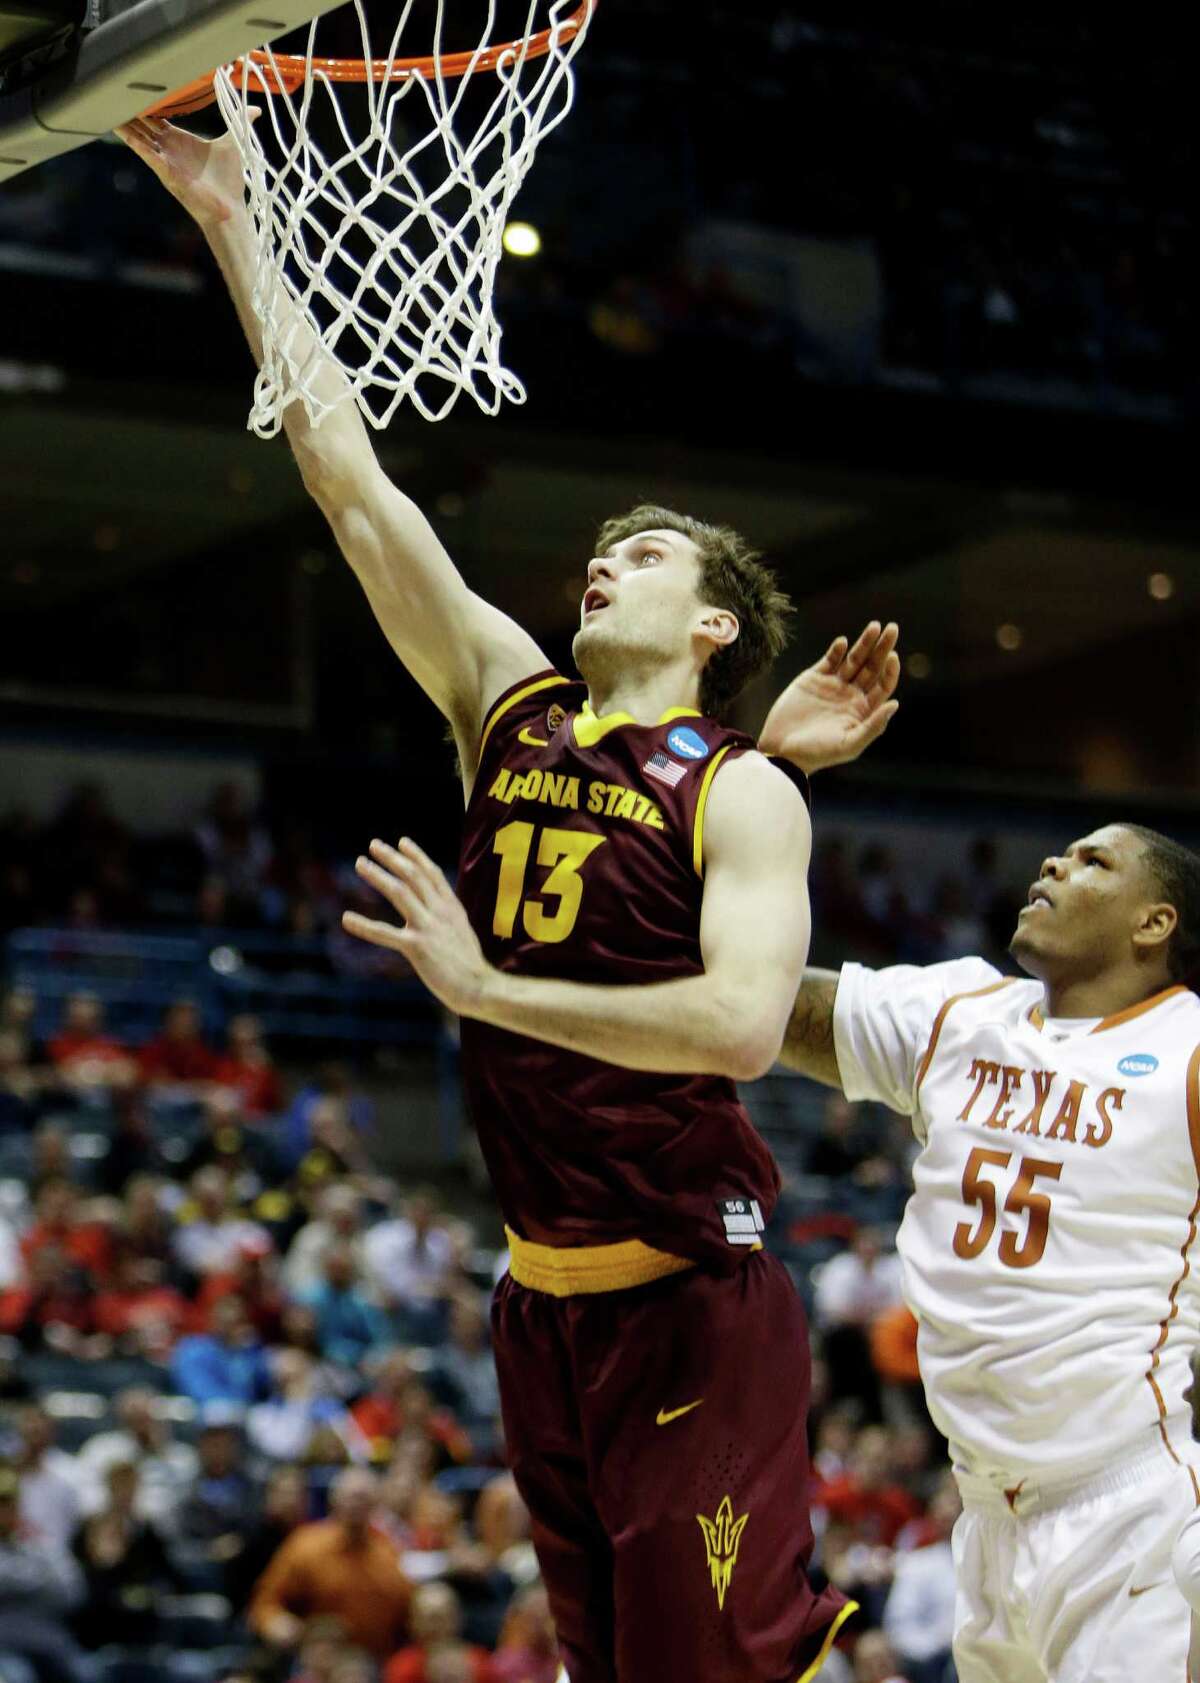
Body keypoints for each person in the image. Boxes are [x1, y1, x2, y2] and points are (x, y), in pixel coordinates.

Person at [117, 110, 900, 1683]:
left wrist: (486, 989)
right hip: (539, 1304)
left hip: (694, 1289)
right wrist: (232, 221)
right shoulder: (507, 707)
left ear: (715, 631)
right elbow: (348, 482)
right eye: (606, 546)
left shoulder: (745, 790)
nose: (608, 558)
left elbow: (746, 1026)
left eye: (652, 550)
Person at [773, 815, 1200, 1682]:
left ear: (1153, 923)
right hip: (981, 1513)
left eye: (1094, 861)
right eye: (1064, 850)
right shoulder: (961, 1010)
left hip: (1126, 1511)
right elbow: (759, 1002)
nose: (1054, 860)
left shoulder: (1188, 1050)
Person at [247, 1466, 412, 1661]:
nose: (356, 1505)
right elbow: (265, 1603)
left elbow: (407, 1612)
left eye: (363, 1498)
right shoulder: (305, 1545)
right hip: (316, 1661)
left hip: (373, 1664)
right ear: (334, 1500)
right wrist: (277, 1624)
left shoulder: (389, 1552)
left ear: (375, 1505)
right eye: (351, 1497)